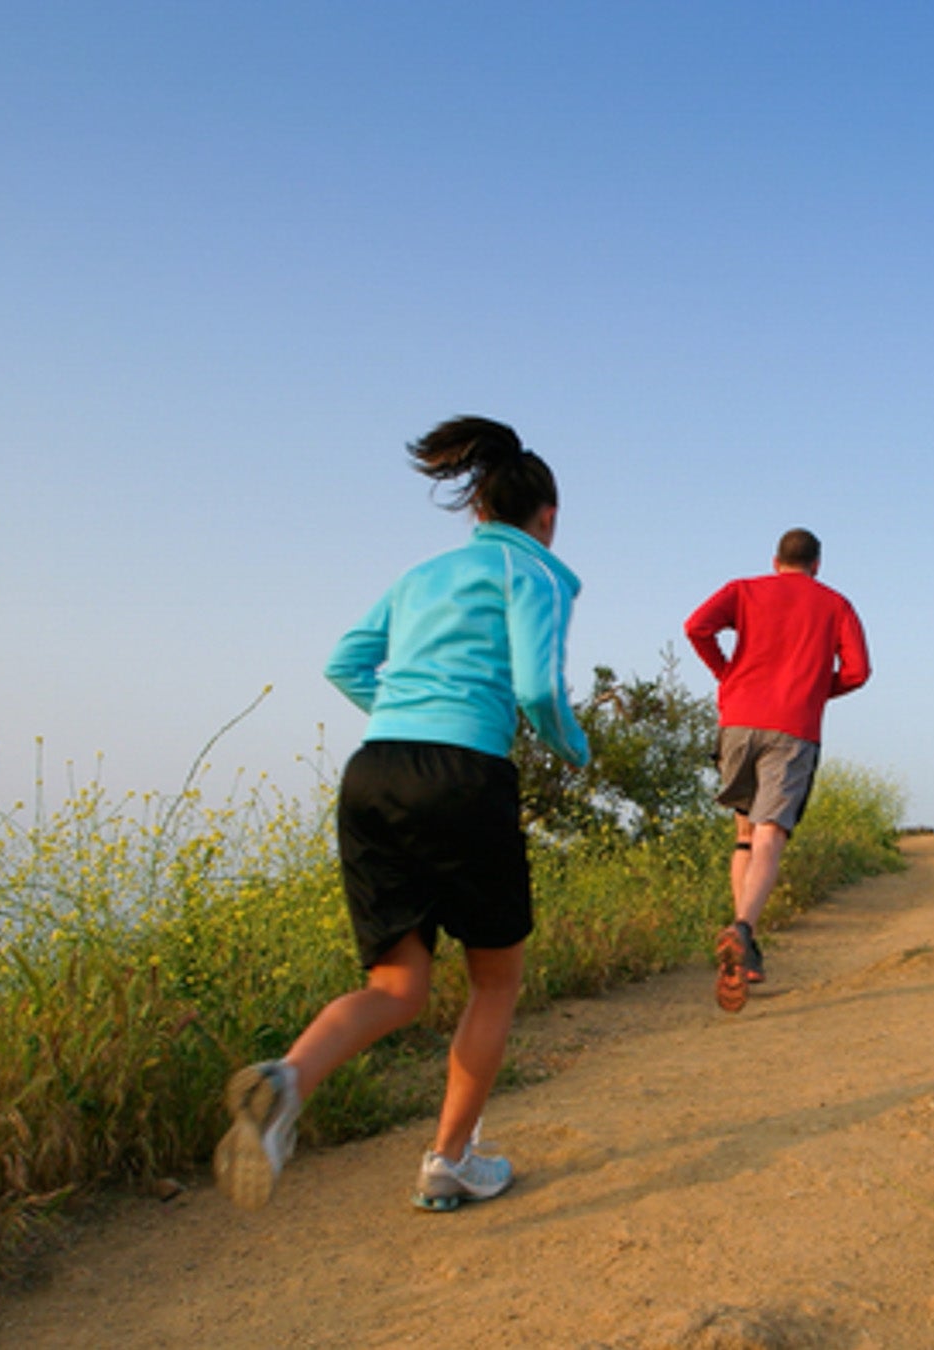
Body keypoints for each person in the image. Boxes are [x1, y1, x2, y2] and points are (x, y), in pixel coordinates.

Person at [213, 415, 591, 1212]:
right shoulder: (537, 572)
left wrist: (407, 714)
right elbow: (536, 688)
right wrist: (574, 747)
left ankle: (287, 1082)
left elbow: (344, 662)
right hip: (465, 776)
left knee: (397, 985)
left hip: (375, 770)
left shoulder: (422, 575)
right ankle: (449, 1159)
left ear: (477, 510)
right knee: (496, 981)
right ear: (547, 516)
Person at [683, 528, 870, 1012]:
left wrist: (726, 673)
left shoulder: (744, 590)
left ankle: (746, 949)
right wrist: (814, 688)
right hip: (792, 729)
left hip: (737, 722)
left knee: (745, 834)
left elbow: (696, 627)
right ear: (817, 564)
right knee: (770, 834)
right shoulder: (835, 605)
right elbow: (857, 671)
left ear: (775, 561)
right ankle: (743, 928)